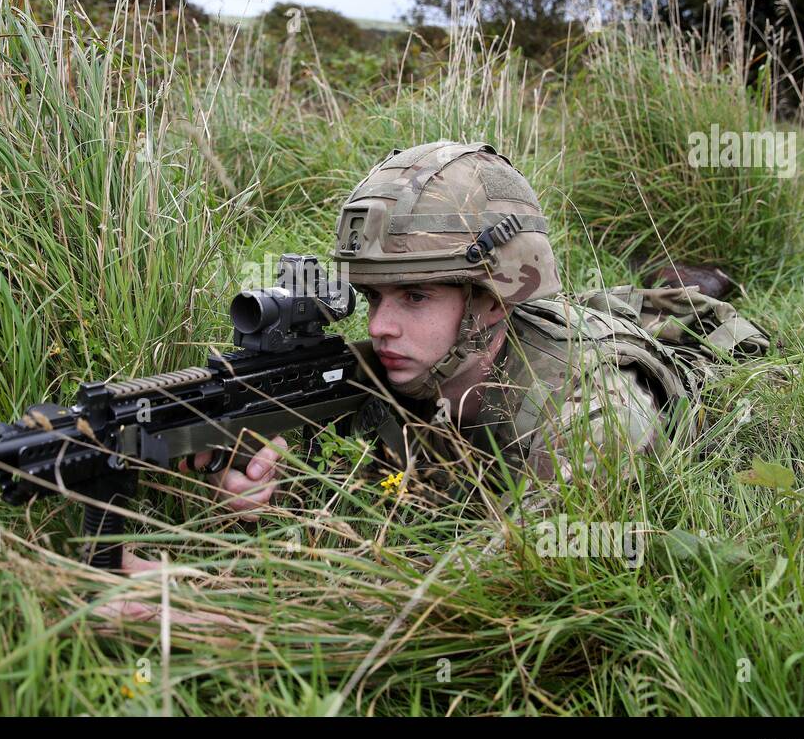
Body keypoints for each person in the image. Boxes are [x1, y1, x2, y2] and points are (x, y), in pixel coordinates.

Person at [120, 140, 767, 573]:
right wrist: (284, 495)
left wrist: (199, 609)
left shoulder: (590, 410)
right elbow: (383, 493)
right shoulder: (398, 367)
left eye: (416, 295)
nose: (381, 327)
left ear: (492, 299)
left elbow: (487, 595)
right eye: (371, 297)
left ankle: (696, 285)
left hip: (649, 352)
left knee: (685, 309)